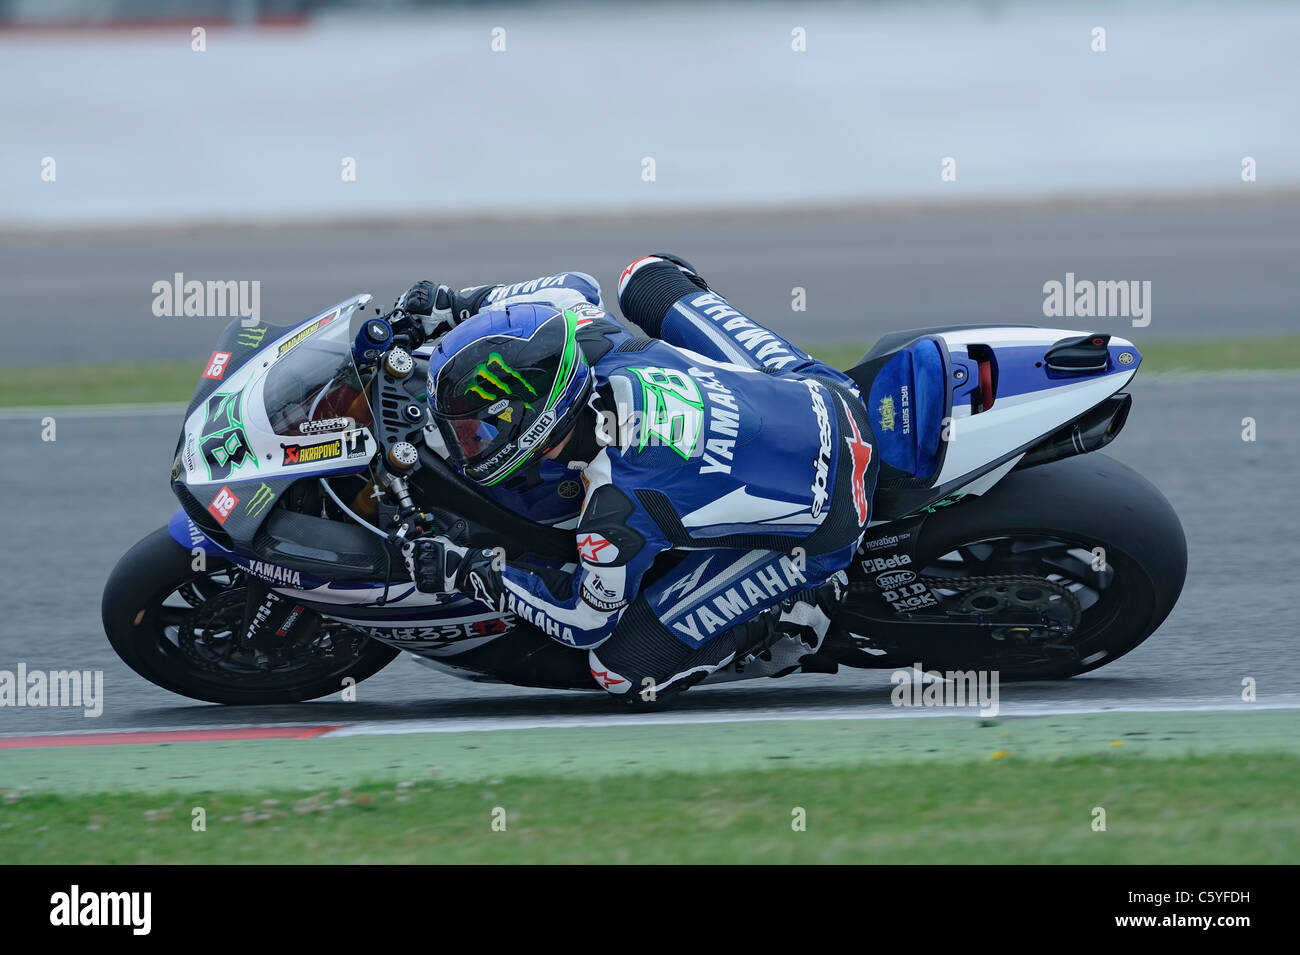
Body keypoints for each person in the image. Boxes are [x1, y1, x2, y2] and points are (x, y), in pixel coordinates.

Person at [400, 255, 880, 705]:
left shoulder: (614, 510)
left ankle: (796, 608)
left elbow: (584, 622)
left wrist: (469, 571)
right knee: (645, 275)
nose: (468, 442)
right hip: (826, 392)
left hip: (832, 518)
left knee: (627, 674)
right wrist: (457, 304)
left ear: (537, 423)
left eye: (479, 429)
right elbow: (572, 286)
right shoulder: (589, 339)